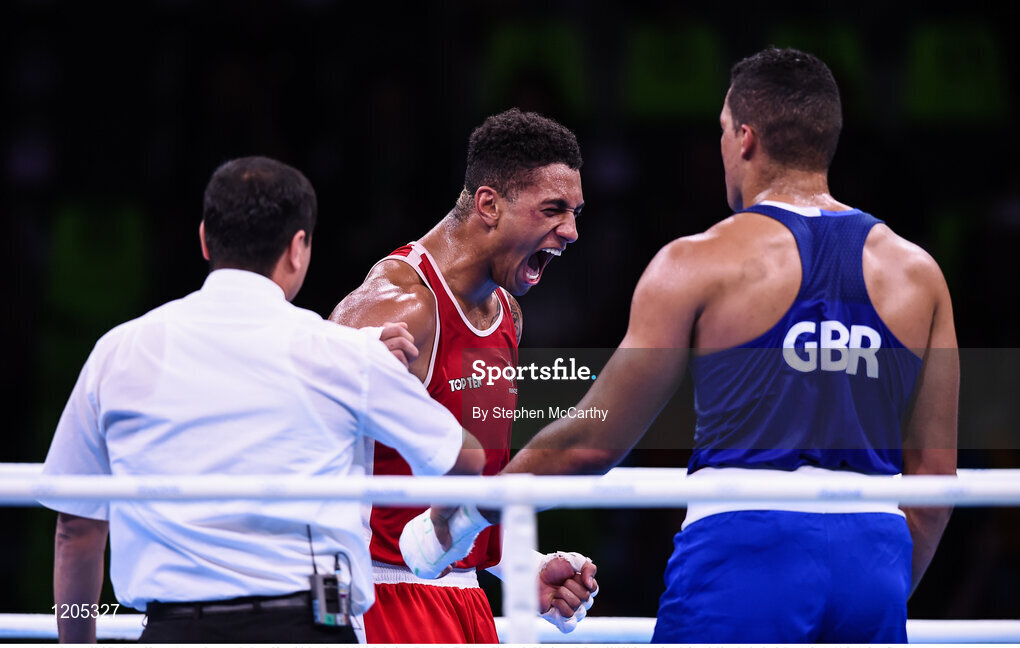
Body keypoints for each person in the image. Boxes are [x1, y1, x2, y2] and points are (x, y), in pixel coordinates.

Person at [427, 48, 959, 642]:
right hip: (874, 563)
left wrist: (469, 512)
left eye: (723, 133)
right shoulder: (920, 275)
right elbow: (934, 480)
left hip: (744, 556)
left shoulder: (698, 262)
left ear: (746, 138)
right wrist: (871, 582)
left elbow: (589, 444)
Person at [39, 156, 485, 644]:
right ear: (298, 249)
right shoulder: (345, 353)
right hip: (304, 626)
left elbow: (76, 531)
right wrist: (436, 534)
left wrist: (75, 646)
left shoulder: (118, 351)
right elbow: (465, 459)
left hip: (172, 629)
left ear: (206, 238)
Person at [330, 108, 598, 643]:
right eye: (553, 209)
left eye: (574, 212)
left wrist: (519, 567)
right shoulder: (399, 306)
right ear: (489, 205)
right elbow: (293, 443)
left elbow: (468, 490)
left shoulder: (506, 313)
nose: (570, 231)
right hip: (379, 597)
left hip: (467, 599)